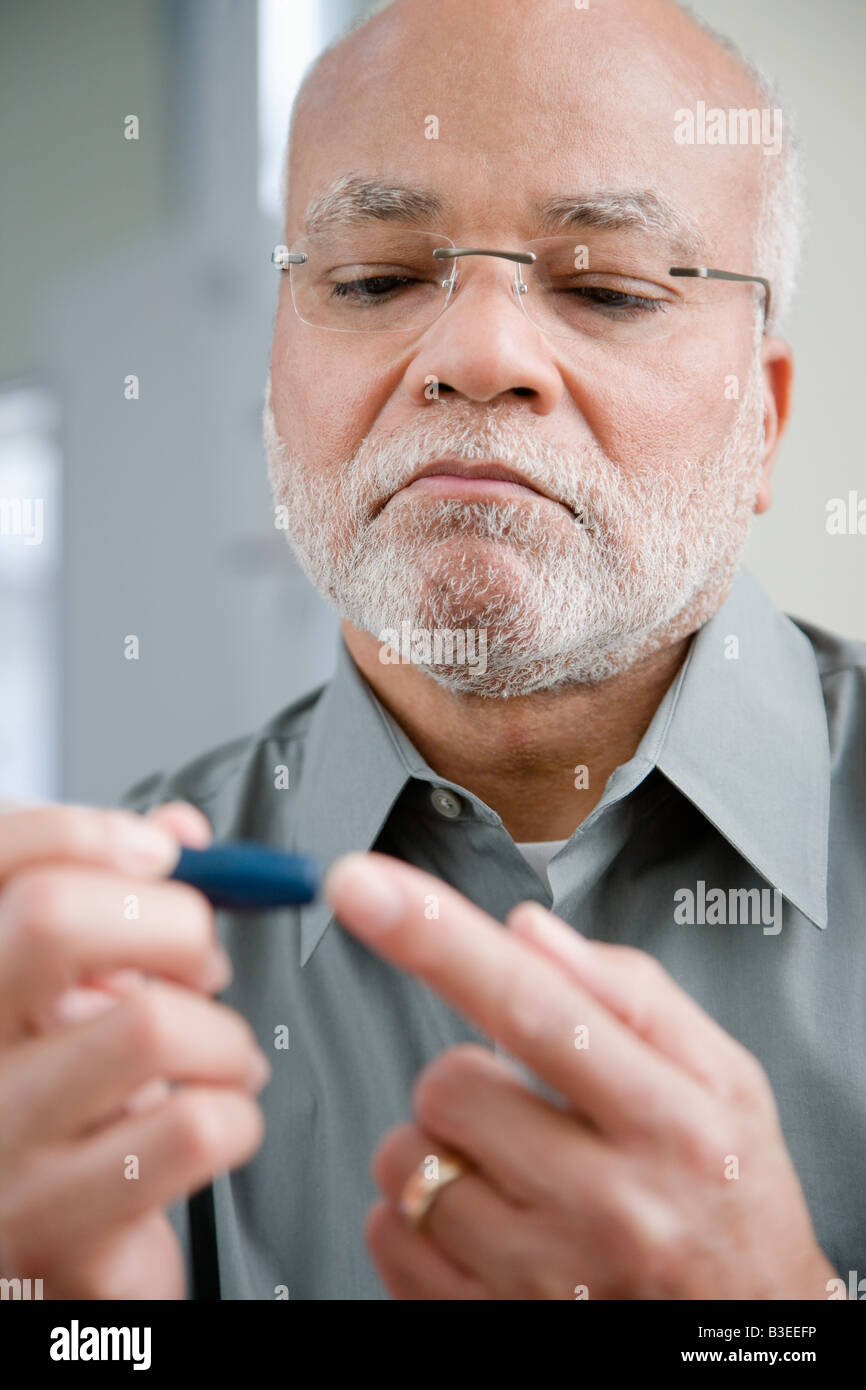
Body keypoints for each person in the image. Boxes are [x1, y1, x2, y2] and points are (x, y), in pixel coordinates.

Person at [0, 0, 863, 1300]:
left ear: (763, 420)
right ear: (277, 368)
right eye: (374, 279)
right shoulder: (80, 974)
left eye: (608, 287)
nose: (474, 352)